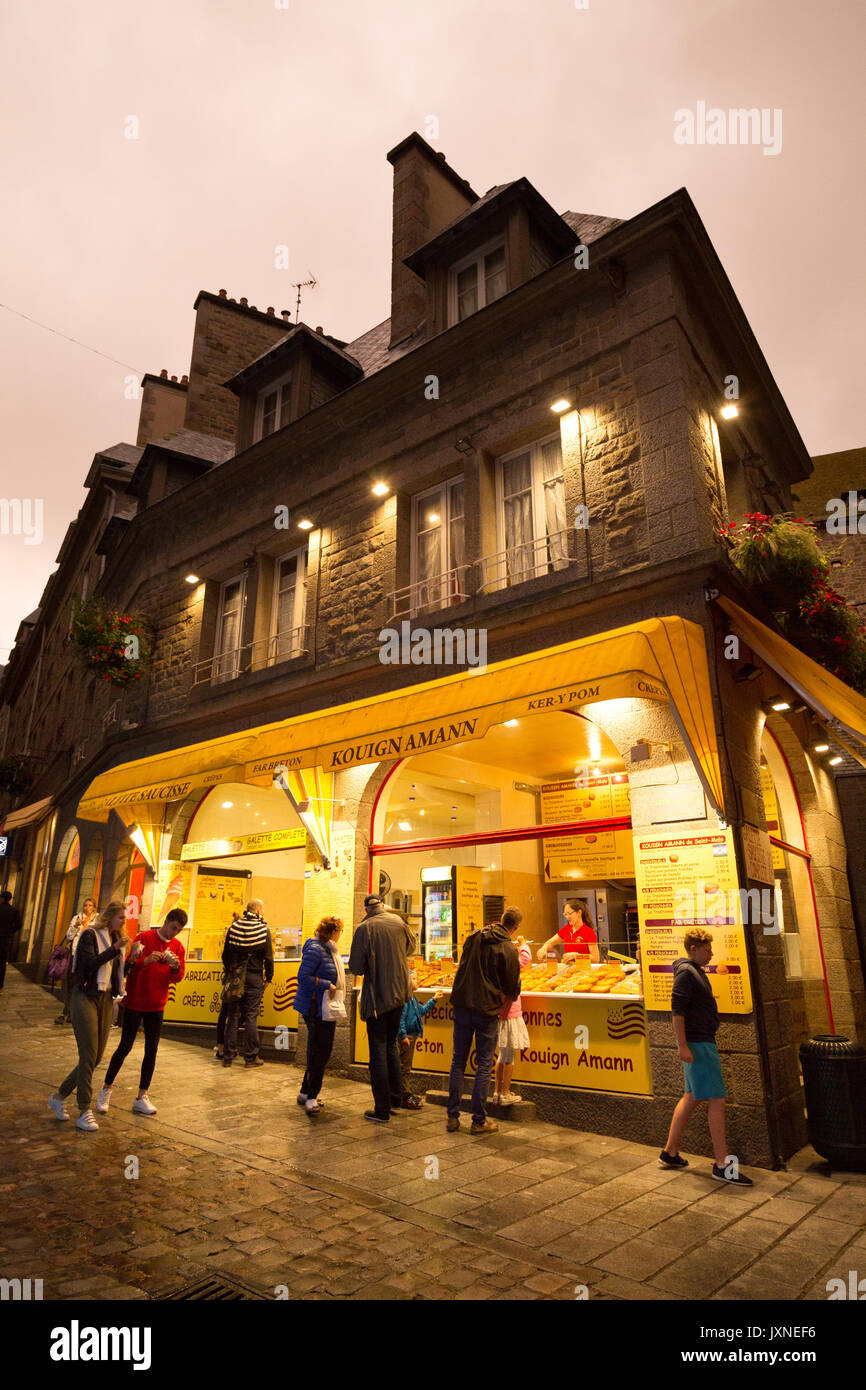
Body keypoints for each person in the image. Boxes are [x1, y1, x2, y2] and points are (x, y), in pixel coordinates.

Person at [659, 926, 754, 1186]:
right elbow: (676, 1011)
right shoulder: (687, 974)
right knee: (717, 1099)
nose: (711, 954)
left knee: (691, 1097)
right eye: (708, 949)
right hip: (699, 1044)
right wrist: (682, 1046)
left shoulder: (693, 972)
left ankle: (670, 1152)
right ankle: (722, 1164)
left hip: (699, 1042)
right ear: (694, 949)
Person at [95, 908, 188, 1117]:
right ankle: (106, 1089)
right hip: (136, 1002)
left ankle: (142, 1095)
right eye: (173, 927)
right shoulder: (143, 938)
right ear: (167, 921)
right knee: (124, 1046)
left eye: (178, 930)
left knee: (151, 1050)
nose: (174, 933)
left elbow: (178, 976)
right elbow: (127, 967)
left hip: (157, 1005)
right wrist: (143, 962)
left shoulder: (178, 947)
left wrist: (174, 967)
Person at [48, 900, 129, 1131]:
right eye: (121, 917)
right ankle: (84, 1109)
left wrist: (129, 959)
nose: (124, 921)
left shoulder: (116, 941)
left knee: (96, 1057)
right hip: (85, 995)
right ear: (110, 916)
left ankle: (58, 1096)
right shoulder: (90, 935)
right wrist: (114, 950)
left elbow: (115, 971)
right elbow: (89, 964)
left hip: (105, 997)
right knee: (88, 1053)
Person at [447, 906, 523, 1136]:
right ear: (516, 927)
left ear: (500, 919)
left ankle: (452, 1118)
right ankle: (478, 1120)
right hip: (486, 1010)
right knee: (483, 1064)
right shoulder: (508, 949)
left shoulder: (473, 937)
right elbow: (512, 989)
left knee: (458, 1062)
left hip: (461, 1005)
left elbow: (462, 966)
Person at [347, 893, 414, 1124]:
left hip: (378, 998)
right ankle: (396, 1097)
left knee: (377, 1050)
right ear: (382, 906)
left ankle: (382, 1109)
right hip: (400, 995)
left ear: (367, 910)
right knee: (390, 1045)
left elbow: (355, 966)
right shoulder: (398, 922)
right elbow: (411, 947)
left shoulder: (364, 929)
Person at [294, 916, 344, 1114]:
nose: (340, 936)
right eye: (339, 931)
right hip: (316, 1006)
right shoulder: (317, 949)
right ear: (332, 932)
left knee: (317, 1049)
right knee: (321, 1051)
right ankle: (312, 1097)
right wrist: (326, 984)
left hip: (322, 1005)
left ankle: (306, 1092)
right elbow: (303, 977)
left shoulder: (326, 948)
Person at [221, 900, 273, 1068]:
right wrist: (269, 978)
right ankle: (250, 1057)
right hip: (254, 977)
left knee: (233, 1015)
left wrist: (230, 970)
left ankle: (228, 1056)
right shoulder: (263, 930)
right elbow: (268, 958)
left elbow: (225, 954)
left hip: (236, 976)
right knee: (251, 1016)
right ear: (258, 910)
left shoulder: (234, 928)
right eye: (262, 910)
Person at [492, 927, 532, 1106]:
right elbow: (525, 959)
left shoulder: (492, 966)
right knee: (509, 1057)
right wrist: (523, 944)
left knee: (501, 1055)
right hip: (511, 1015)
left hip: (498, 1016)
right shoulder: (510, 966)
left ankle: (496, 1092)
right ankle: (506, 1093)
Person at [398, 973, 444, 1109]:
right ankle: (404, 1095)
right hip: (408, 1038)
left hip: (412, 1036)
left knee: (406, 1066)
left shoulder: (413, 999)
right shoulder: (406, 1000)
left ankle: (404, 1094)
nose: (417, 980)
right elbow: (401, 1019)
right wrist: (403, 1035)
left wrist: (434, 1000)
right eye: (414, 978)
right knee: (404, 1067)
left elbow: (422, 1011)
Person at [55, 897, 96, 1023]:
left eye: (90, 905)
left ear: (94, 908)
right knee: (71, 983)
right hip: (75, 955)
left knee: (83, 984)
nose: (87, 908)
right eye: (85, 905)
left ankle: (78, 1013)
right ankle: (66, 1012)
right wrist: (76, 926)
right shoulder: (76, 918)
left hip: (89, 956)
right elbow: (69, 936)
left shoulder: (97, 919)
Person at [536, 898, 600, 964]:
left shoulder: (589, 932)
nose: (567, 917)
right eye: (565, 914)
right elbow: (550, 942)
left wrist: (576, 956)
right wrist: (543, 948)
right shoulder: (566, 929)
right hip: (568, 968)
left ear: (579, 912)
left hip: (583, 970)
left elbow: (596, 959)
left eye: (569, 913)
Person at [0, 888, 23, 992]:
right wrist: (10, 931)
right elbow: (19, 924)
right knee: (2, 962)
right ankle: (0, 986)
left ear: (2, 898)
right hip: (5, 939)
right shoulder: (14, 911)